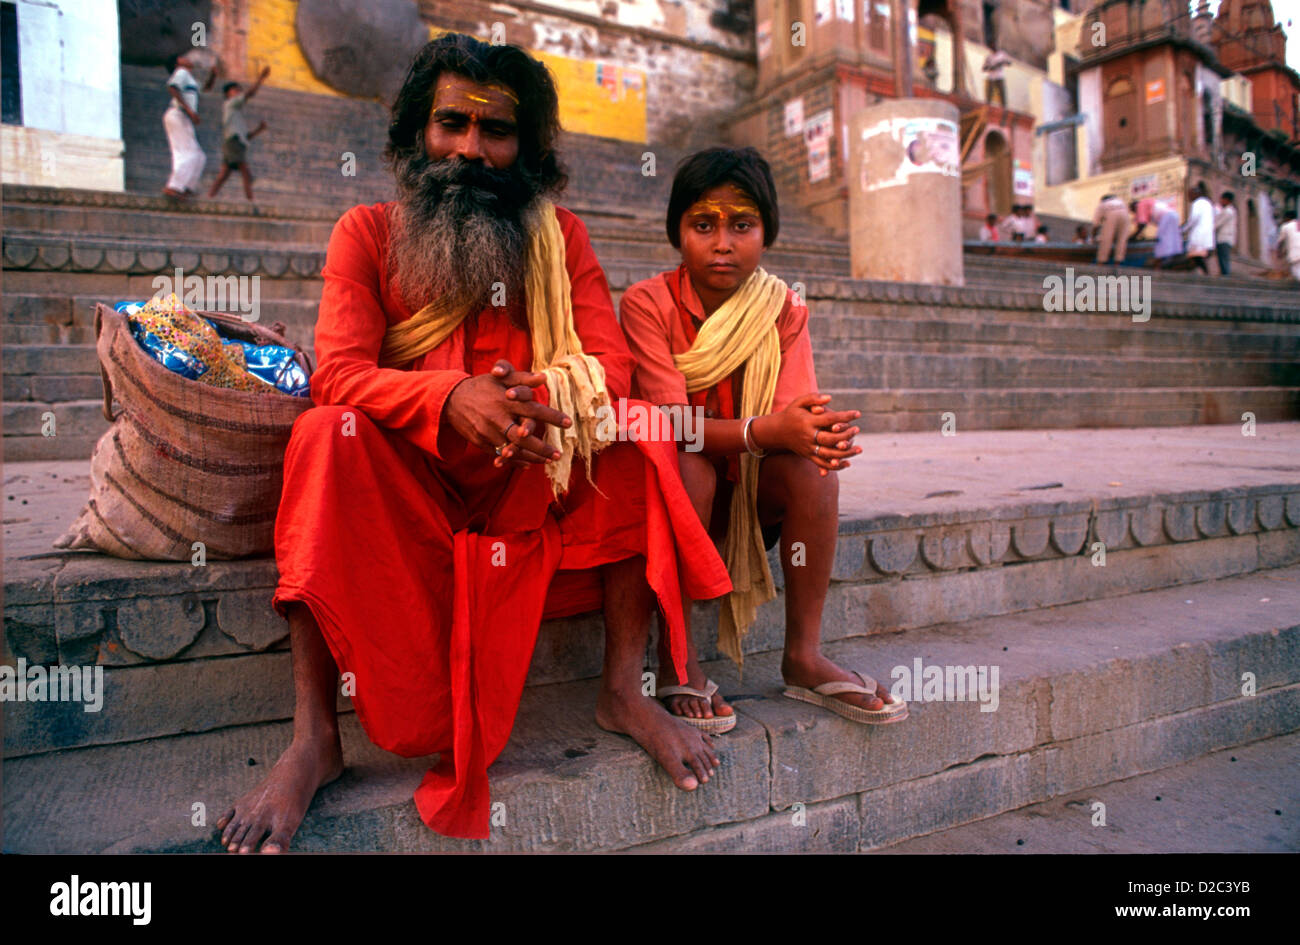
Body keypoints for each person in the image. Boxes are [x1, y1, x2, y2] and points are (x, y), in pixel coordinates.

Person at [215, 33, 733, 853]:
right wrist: (449, 396)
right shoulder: (366, 233)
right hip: (408, 483)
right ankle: (315, 734)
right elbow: (339, 375)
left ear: (525, 149)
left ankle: (621, 690)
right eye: (452, 123)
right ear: (419, 131)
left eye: (496, 133)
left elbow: (610, 368)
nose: (471, 150)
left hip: (529, 481)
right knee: (325, 435)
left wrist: (536, 401)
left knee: (633, 435)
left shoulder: (561, 240)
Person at [618, 147, 908, 732]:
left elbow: (792, 415)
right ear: (678, 233)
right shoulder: (645, 303)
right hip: (680, 498)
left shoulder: (782, 308)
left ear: (766, 234)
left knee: (814, 468)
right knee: (690, 460)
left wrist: (818, 436)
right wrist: (764, 431)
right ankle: (677, 655)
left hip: (751, 500)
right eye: (703, 225)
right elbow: (670, 423)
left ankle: (802, 654)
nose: (722, 243)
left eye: (742, 225)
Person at [208, 65, 271, 201]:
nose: (238, 92)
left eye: (239, 90)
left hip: (235, 142)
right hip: (233, 143)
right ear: (228, 94)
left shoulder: (236, 114)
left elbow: (246, 137)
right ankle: (251, 201)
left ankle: (210, 196)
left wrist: (259, 130)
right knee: (245, 172)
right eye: (235, 90)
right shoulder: (230, 104)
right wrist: (261, 77)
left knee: (224, 175)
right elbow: (250, 94)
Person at [162, 51, 214, 198]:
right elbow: (173, 88)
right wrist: (190, 111)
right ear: (178, 62)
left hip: (183, 117)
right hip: (178, 114)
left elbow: (206, 88)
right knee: (188, 152)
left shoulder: (189, 78)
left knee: (199, 156)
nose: (187, 59)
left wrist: (213, 75)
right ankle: (174, 186)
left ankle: (187, 188)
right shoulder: (181, 72)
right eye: (183, 57)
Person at [1182, 182, 1215, 274]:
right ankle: (1201, 273)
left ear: (1195, 194)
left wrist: (1183, 229)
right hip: (1206, 234)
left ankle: (1206, 273)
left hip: (1199, 235)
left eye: (1190, 194)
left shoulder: (1197, 203)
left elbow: (1193, 219)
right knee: (1197, 256)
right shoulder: (1208, 203)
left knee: (1196, 256)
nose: (1189, 197)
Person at [1091, 193, 1131, 264]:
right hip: (1125, 216)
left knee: (1106, 239)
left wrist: (1093, 237)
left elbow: (1095, 225)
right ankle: (1118, 262)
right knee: (1122, 239)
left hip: (1111, 214)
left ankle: (1101, 261)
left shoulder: (1103, 204)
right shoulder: (1121, 202)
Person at [1152, 201, 1183, 269]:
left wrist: (1157, 236)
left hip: (1167, 216)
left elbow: (1160, 229)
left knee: (1161, 246)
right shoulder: (1159, 207)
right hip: (1174, 215)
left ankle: (1158, 266)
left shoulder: (1157, 211)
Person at [1214, 191, 1237, 277]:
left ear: (1227, 200)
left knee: (1223, 259)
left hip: (1224, 238)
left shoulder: (1228, 211)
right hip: (1224, 238)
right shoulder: (1230, 211)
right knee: (1223, 258)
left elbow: (1217, 223)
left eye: (1222, 199)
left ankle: (1225, 276)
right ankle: (1224, 275)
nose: (1221, 201)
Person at [1278, 209, 1300, 281]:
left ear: (1287, 218)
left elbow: (1280, 242)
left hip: (1295, 254)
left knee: (1296, 271)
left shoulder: (1285, 226)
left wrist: (1279, 252)